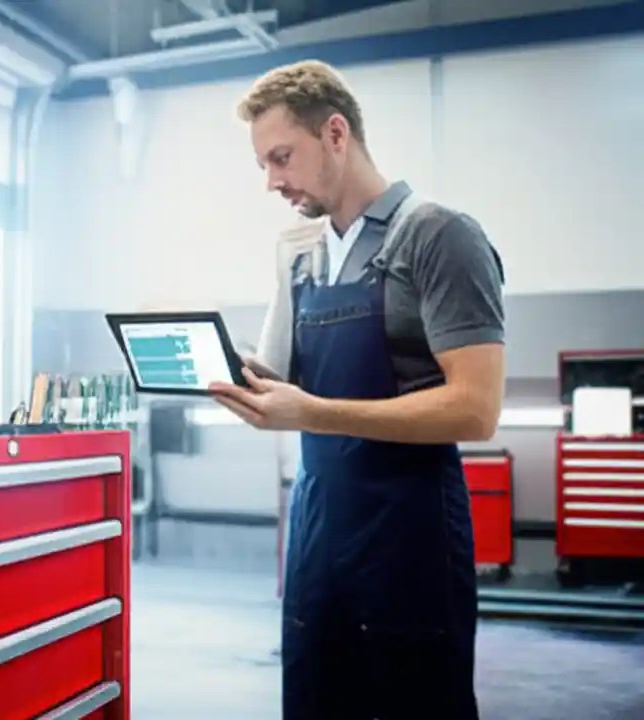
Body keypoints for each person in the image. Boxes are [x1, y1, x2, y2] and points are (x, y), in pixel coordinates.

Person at [209, 60, 506, 720]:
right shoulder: (306, 253)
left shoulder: (438, 236)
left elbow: (476, 408)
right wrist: (240, 376)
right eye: (263, 164)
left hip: (410, 535)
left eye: (281, 158)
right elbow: (292, 381)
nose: (271, 182)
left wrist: (311, 411)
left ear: (336, 133)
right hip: (319, 530)